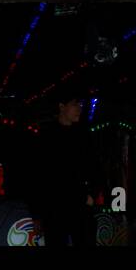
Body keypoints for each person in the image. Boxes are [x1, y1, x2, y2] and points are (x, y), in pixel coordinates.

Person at [18, 90, 99, 247]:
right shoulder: (46, 136)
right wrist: (37, 213)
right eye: (75, 104)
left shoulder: (83, 135)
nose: (79, 109)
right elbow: (35, 176)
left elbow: (94, 167)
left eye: (80, 104)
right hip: (55, 209)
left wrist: (91, 195)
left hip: (80, 205)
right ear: (62, 106)